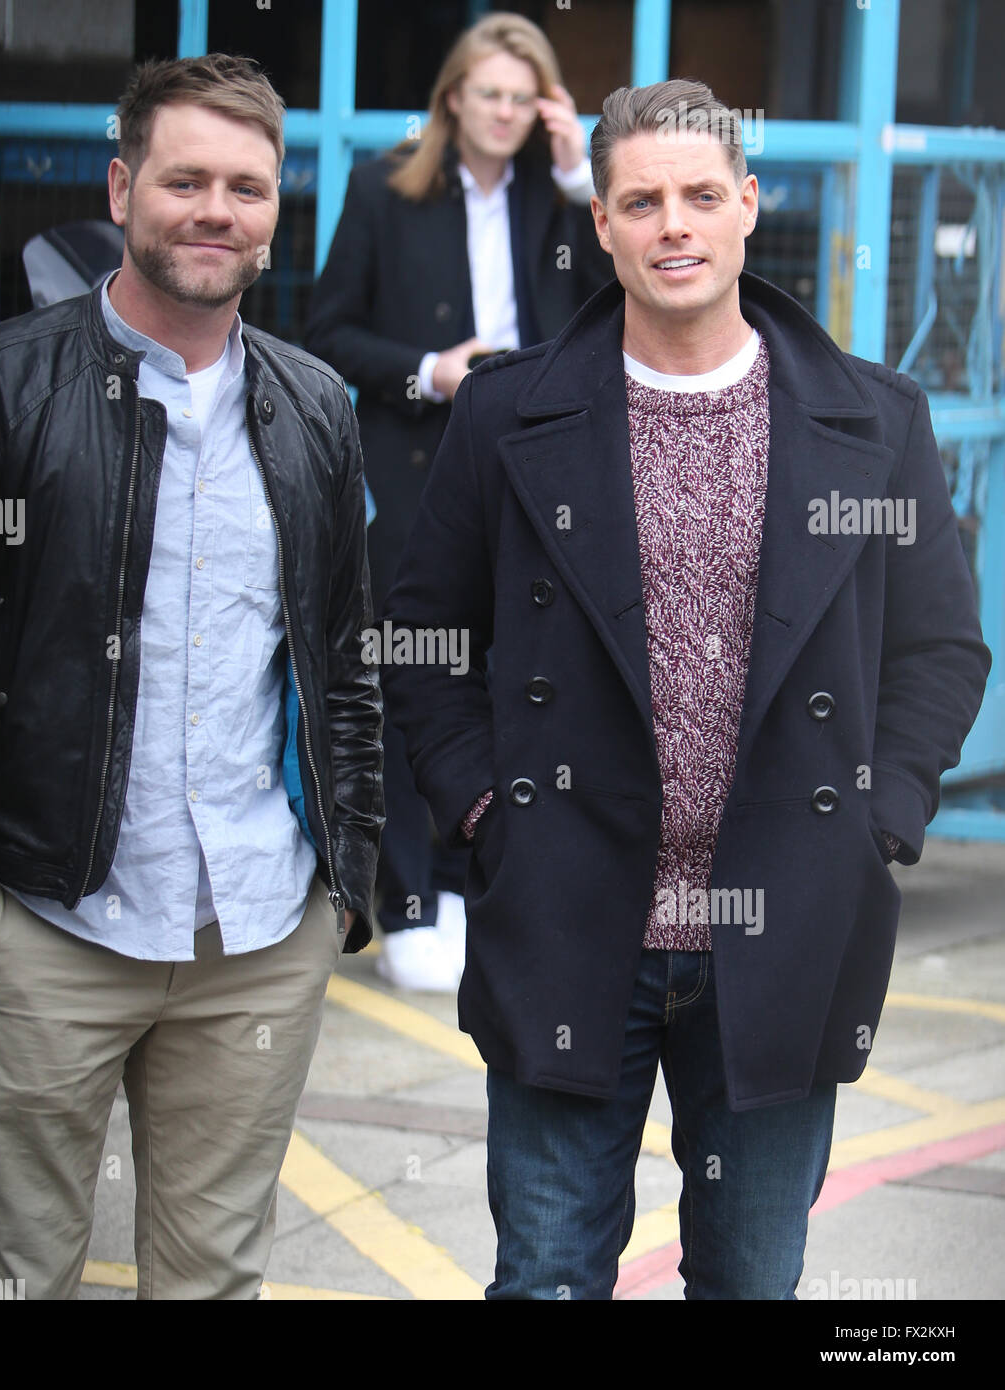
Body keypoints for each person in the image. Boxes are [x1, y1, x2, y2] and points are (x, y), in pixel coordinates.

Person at [380, 78, 991, 1299]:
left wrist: (880, 817)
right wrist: (486, 812)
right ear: (598, 224)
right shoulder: (509, 413)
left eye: (701, 196)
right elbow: (421, 631)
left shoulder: (871, 417)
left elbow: (940, 649)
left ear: (747, 208)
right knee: (546, 1277)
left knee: (752, 1285)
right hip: (569, 915)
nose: (674, 225)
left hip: (781, 926)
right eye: (641, 200)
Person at [0, 53, 383, 1300]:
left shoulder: (314, 407)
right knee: (12, 1276)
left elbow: (345, 661)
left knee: (214, 1277)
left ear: (275, 209)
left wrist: (344, 885)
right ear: (123, 186)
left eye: (246, 186)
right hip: (45, 926)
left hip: (256, 928)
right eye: (184, 178)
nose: (214, 209)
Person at [306, 11, 611, 991]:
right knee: (409, 678)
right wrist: (435, 371)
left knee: (516, 681)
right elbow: (329, 331)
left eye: (526, 99)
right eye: (491, 94)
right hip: (418, 465)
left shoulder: (562, 202)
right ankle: (405, 905)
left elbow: (619, 311)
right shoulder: (382, 190)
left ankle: (476, 887)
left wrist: (579, 176)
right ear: (453, 96)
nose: (507, 112)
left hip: (539, 471)